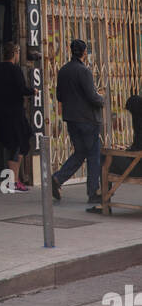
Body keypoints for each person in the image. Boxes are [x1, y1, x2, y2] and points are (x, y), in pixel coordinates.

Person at [52, 38, 105, 212]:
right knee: (93, 155)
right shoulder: (84, 71)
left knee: (81, 152)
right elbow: (92, 96)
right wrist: (101, 98)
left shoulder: (63, 71)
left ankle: (58, 179)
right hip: (88, 120)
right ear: (84, 53)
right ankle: (93, 191)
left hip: (72, 119)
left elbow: (59, 96)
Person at [0, 41, 33, 191]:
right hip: (15, 113)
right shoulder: (15, 70)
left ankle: (14, 179)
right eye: (18, 53)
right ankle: (13, 181)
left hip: (2, 112)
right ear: (14, 54)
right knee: (18, 145)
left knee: (15, 144)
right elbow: (21, 89)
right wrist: (33, 91)